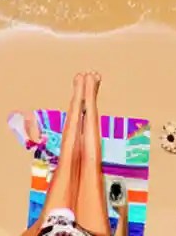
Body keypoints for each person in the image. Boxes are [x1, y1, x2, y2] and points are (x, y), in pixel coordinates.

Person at [19, 72, 128, 236]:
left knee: (89, 169)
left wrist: (123, 215)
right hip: (53, 229)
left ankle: (89, 96)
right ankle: (81, 94)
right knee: (67, 164)